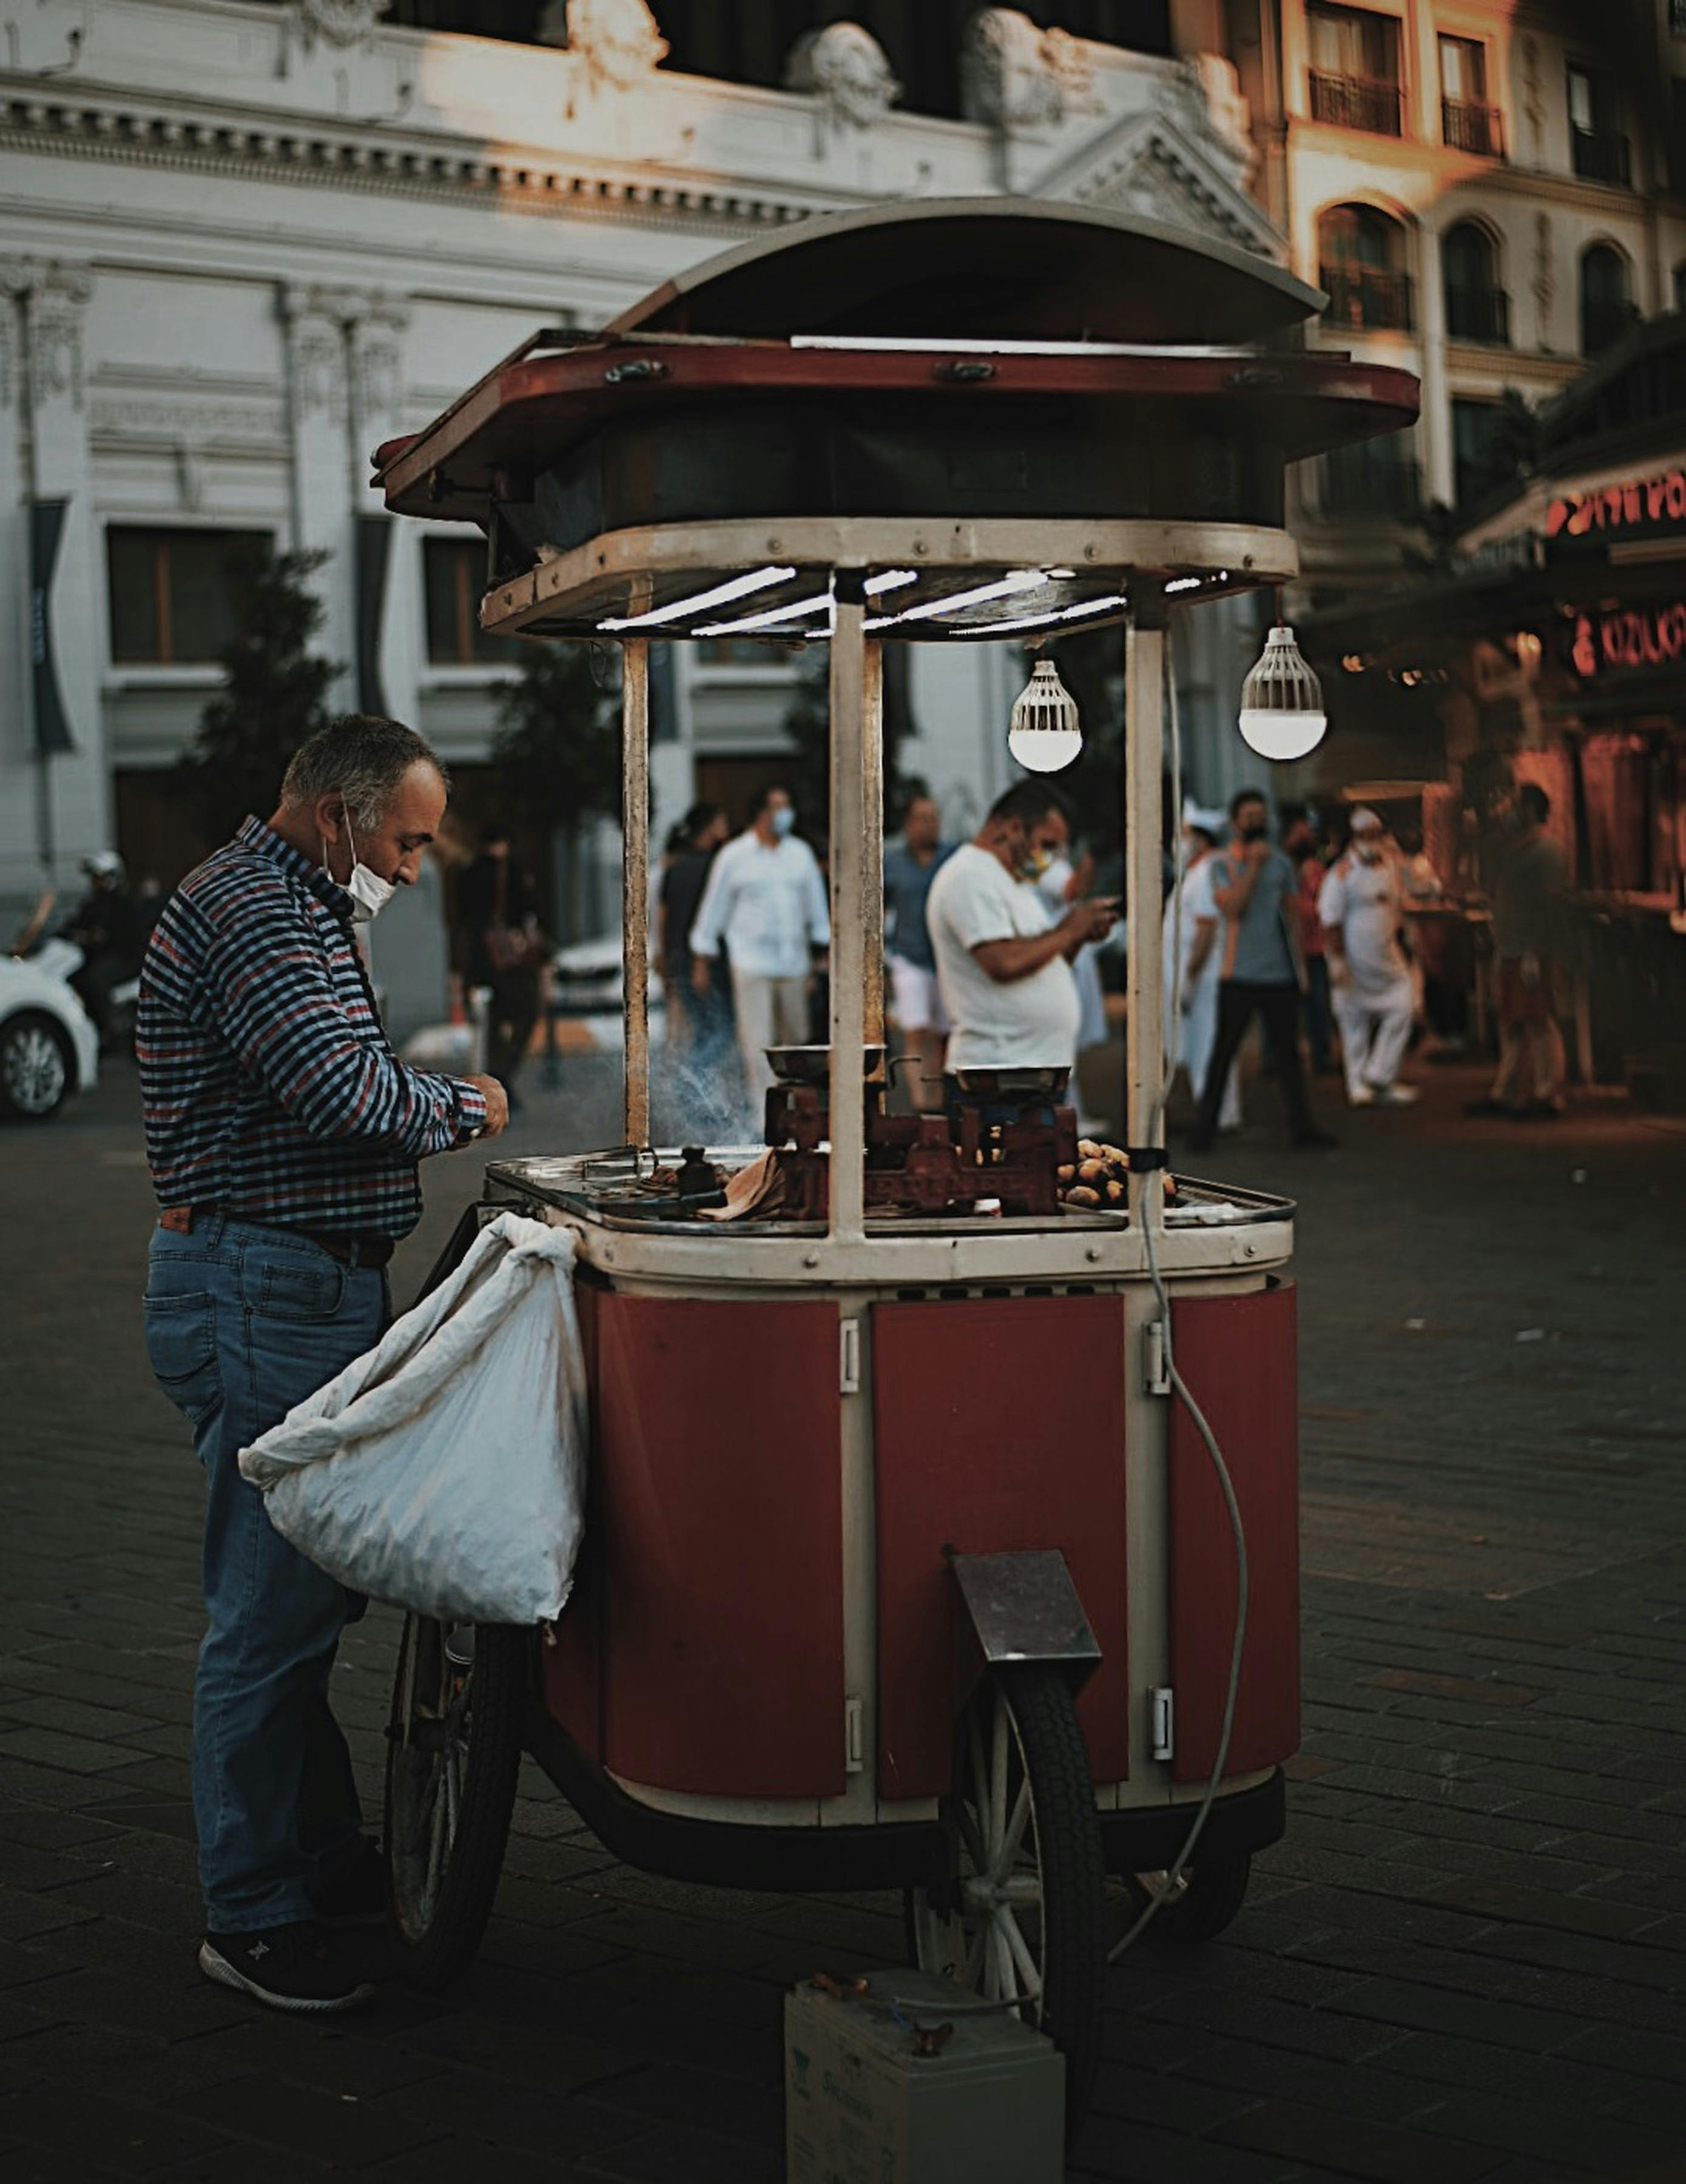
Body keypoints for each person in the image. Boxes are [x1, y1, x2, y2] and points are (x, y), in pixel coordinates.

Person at [137, 715, 509, 2015]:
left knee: (295, 1591)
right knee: (268, 1608)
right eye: (406, 840)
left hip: (285, 1284)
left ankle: (317, 1851)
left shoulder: (297, 904)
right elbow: (342, 1091)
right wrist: (466, 1105)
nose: (412, 865)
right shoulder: (257, 910)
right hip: (261, 1289)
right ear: (339, 814)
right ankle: (251, 1915)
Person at [925, 781, 1118, 1077]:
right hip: (998, 1074)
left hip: (1029, 1072)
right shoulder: (969, 876)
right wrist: (1068, 931)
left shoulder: (1013, 881)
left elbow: (1042, 962)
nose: (1049, 858)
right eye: (1046, 845)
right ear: (1013, 828)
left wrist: (1079, 937)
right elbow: (1002, 962)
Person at [1188, 789, 1335, 1152]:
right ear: (1236, 823)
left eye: (1260, 815)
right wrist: (1253, 868)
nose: (1256, 822)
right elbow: (1231, 909)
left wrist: (1300, 969)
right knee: (1224, 1053)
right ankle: (1204, 1129)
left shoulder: (1282, 864)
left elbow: (1293, 917)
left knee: (1289, 1056)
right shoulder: (1221, 865)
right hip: (1238, 974)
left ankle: (1302, 1127)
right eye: (1249, 816)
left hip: (1278, 974)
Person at [689, 784, 831, 1106]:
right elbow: (713, 910)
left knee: (797, 1043)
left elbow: (816, 908)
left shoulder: (800, 854)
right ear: (762, 813)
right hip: (751, 962)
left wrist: (821, 954)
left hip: (793, 962)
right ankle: (763, 1116)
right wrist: (703, 958)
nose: (786, 814)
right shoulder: (734, 856)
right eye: (779, 807)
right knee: (757, 1042)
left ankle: (798, 1111)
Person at [1466, 782, 1569, 1119]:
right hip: (1508, 948)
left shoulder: (1548, 851)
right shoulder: (1515, 850)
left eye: (1514, 805)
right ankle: (1506, 1090)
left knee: (1539, 1020)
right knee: (1510, 1021)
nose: (1507, 811)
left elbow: (1552, 906)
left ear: (1530, 810)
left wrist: (1537, 950)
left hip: (1531, 951)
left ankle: (1548, 1093)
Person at [1317, 807, 1419, 1109]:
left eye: (1375, 835)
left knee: (1404, 1006)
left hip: (1388, 958)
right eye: (1365, 835)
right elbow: (1330, 920)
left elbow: (1406, 900)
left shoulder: (1390, 867)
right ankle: (1358, 1084)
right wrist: (1337, 960)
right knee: (1354, 1022)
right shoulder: (1341, 873)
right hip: (1353, 960)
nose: (1371, 841)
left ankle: (1381, 1075)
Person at [457, 822, 545, 1111]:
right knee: (527, 1012)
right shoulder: (513, 872)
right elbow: (528, 910)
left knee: (491, 1022)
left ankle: (495, 1078)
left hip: (479, 961)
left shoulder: (467, 874)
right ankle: (502, 1075)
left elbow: (461, 918)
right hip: (509, 963)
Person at [1164, 806, 1241, 1131]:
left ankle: (1220, 1115)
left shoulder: (1208, 871)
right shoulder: (1194, 874)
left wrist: (1190, 976)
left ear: (1201, 839)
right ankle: (1210, 1112)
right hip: (1195, 978)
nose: (1178, 842)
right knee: (1198, 1047)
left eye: (1185, 834)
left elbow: (1206, 929)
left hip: (1204, 979)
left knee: (1208, 1045)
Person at [883, 794, 954, 1110]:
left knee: (944, 1034)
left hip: (945, 959)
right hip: (909, 956)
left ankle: (939, 1100)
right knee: (916, 1029)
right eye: (922, 818)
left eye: (933, 818)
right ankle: (920, 1102)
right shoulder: (893, 863)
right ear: (909, 823)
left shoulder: (951, 857)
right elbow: (878, 909)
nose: (929, 825)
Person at [659, 803, 733, 1080]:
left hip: (680, 958)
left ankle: (695, 1087)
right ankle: (690, 1080)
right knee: (722, 1030)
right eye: (722, 823)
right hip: (708, 963)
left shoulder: (675, 867)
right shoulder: (718, 866)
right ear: (711, 827)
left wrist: (667, 957)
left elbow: (664, 918)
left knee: (703, 1029)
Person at [64, 849, 146, 1053]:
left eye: (99, 878)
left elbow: (129, 936)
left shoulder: (123, 905)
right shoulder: (91, 904)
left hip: (124, 960)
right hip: (96, 958)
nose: (94, 883)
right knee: (76, 977)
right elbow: (75, 925)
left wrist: (104, 938)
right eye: (94, 878)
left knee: (95, 979)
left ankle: (110, 1028)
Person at [1283, 814, 1334, 1075]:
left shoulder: (1317, 870)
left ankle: (1320, 1055)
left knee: (1317, 1004)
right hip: (1290, 948)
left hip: (1315, 947)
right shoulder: (1284, 869)